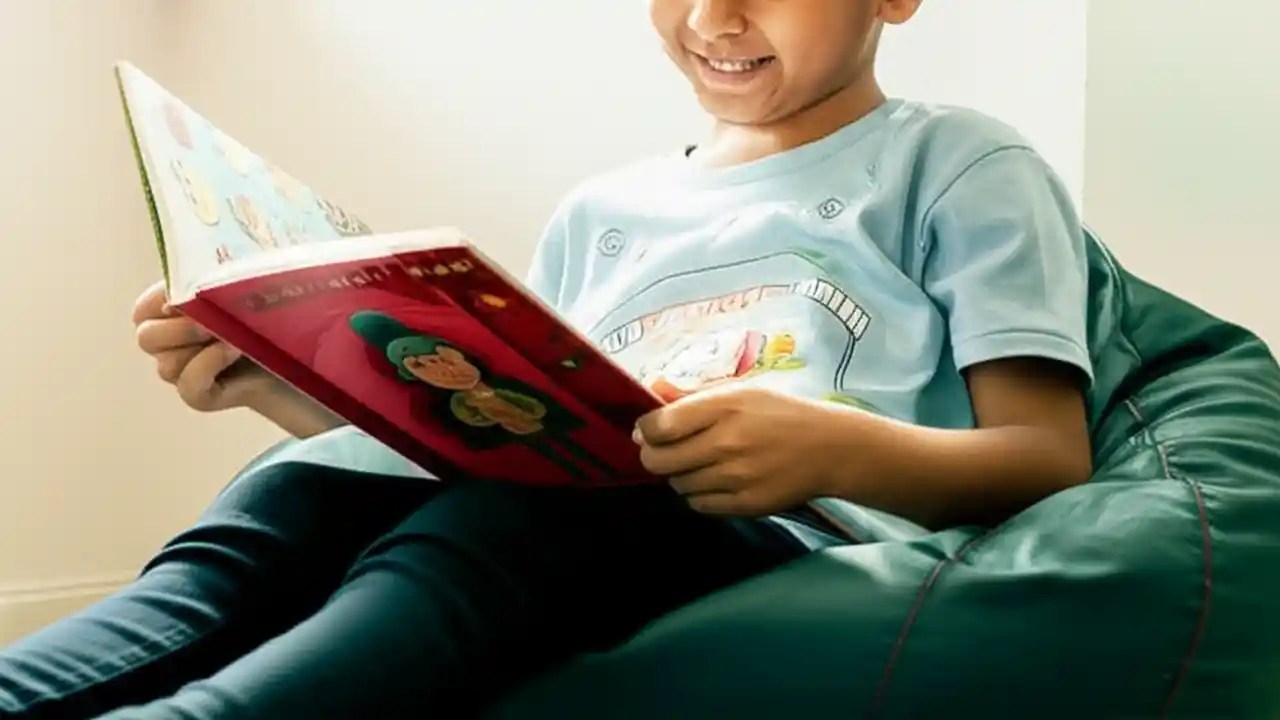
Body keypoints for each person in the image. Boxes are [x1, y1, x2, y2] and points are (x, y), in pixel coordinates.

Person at [1, 0, 1099, 716]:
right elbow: (481, 430)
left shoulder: (956, 163)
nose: (713, 17)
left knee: (516, 527)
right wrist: (287, 380)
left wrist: (831, 450)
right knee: (283, 502)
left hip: (740, 528)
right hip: (538, 498)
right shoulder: (602, 208)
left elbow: (1045, 456)